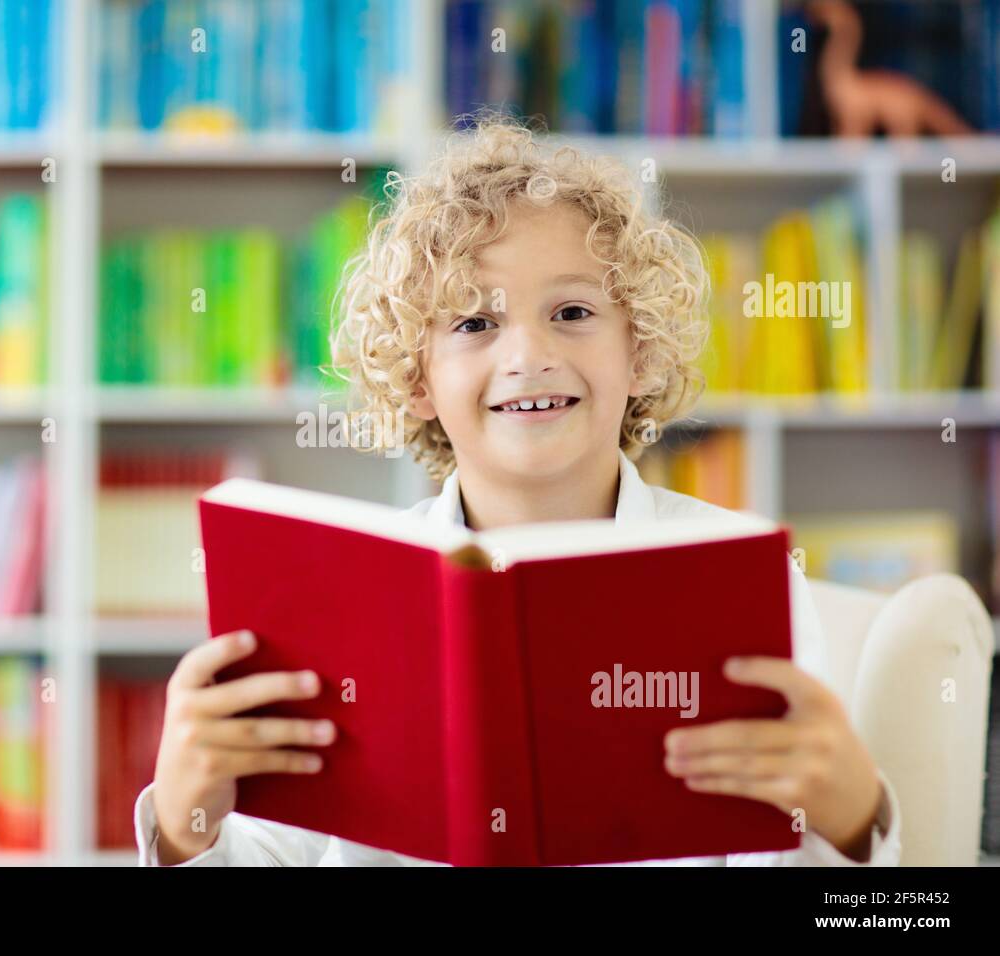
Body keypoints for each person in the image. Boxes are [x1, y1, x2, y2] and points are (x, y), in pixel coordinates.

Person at [135, 114, 899, 867]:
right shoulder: (338, 602)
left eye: (573, 312)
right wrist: (183, 821)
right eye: (474, 321)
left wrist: (854, 819)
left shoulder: (740, 581)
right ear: (415, 376)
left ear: (640, 355)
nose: (529, 354)